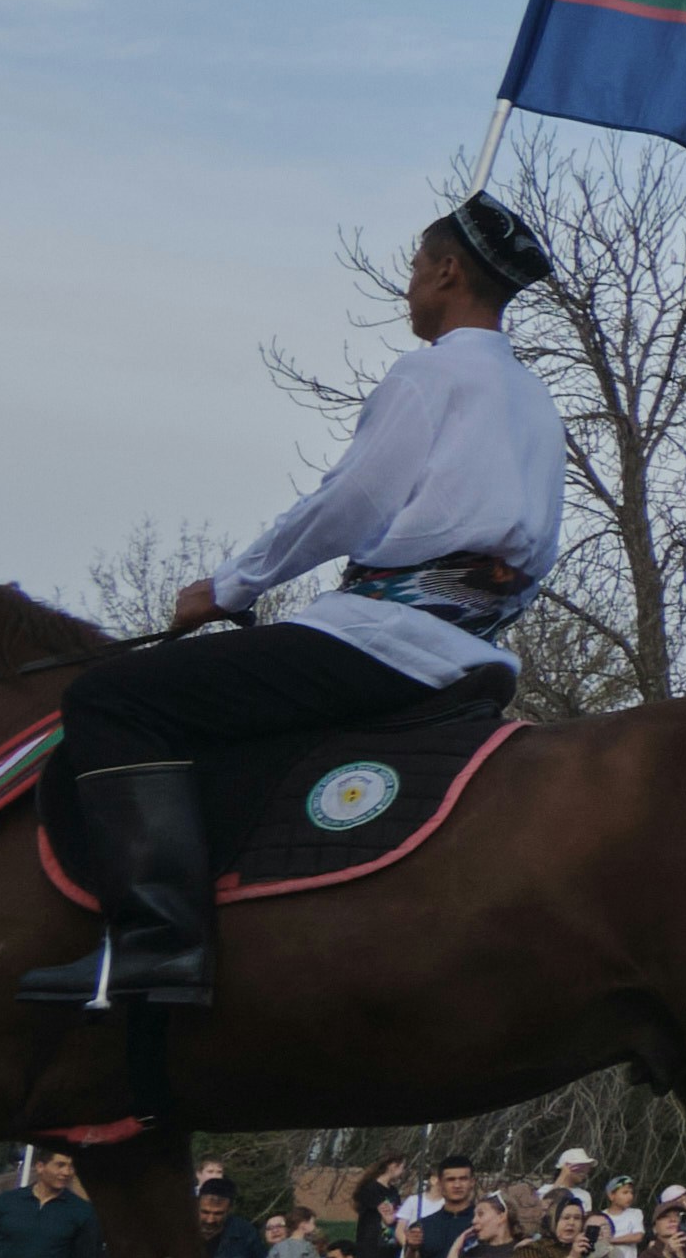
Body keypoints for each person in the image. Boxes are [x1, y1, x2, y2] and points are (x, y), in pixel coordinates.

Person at [33, 196, 564, 1013]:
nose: (411, 287)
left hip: (385, 639)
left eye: (416, 268)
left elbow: (346, 505)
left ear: (448, 271)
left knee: (109, 697)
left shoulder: (429, 373)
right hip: (478, 653)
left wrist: (227, 586)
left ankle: (157, 943)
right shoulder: (535, 399)